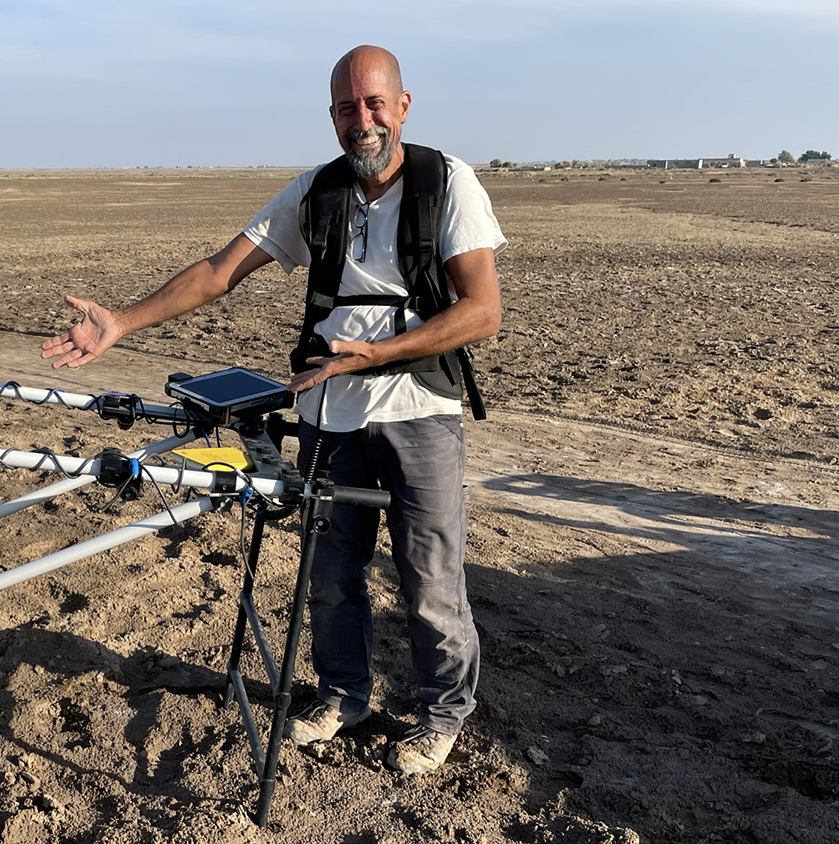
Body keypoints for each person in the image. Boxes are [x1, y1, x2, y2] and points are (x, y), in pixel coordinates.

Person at [42, 45, 505, 774]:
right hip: (328, 413)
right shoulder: (313, 193)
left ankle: (441, 714)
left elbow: (482, 312)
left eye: (376, 104)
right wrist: (122, 322)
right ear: (332, 117)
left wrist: (374, 355)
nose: (364, 121)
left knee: (430, 576)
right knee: (329, 570)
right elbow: (220, 272)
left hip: (419, 409)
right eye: (348, 109)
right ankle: (343, 694)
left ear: (404, 106)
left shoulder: (446, 183)